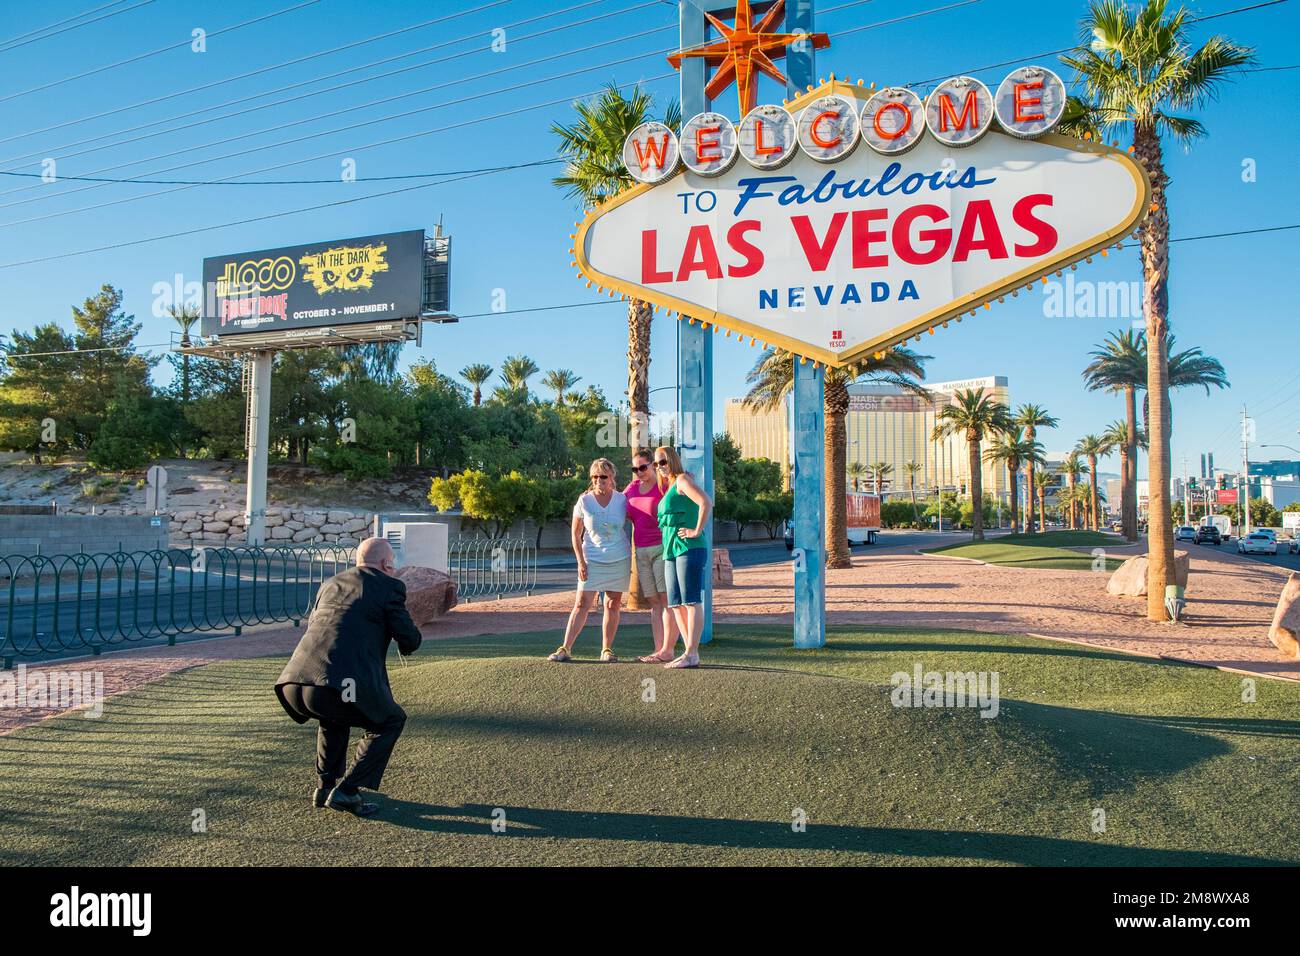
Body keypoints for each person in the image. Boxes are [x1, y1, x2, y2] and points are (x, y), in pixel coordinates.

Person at [274, 537, 422, 817]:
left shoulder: (329, 585)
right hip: (340, 684)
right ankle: (347, 790)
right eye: (392, 563)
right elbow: (409, 638)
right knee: (390, 721)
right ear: (386, 564)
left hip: (295, 680)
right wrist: (408, 640)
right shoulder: (390, 586)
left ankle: (324, 788)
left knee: (334, 718)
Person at [547, 458, 631, 663]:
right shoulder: (584, 501)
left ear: (612, 477)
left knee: (612, 604)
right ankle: (565, 648)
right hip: (591, 558)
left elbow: (640, 517)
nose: (598, 480)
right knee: (582, 603)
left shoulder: (622, 500)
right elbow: (575, 534)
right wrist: (580, 561)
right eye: (595, 477)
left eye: (603, 476)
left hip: (619, 558)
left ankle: (606, 650)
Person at [655, 445, 713, 669]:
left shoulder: (681, 480)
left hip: (688, 547)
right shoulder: (669, 486)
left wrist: (696, 531)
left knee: (690, 601)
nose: (660, 467)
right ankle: (689, 652)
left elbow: (705, 502)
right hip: (670, 550)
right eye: (656, 463)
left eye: (663, 462)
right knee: (675, 603)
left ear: (672, 461)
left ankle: (692, 652)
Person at [624, 449, 679, 662]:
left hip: (661, 548)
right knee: (654, 602)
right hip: (641, 550)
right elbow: (622, 507)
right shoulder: (632, 488)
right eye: (635, 469)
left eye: (643, 467)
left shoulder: (664, 485)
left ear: (653, 465)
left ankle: (669, 650)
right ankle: (659, 650)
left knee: (666, 600)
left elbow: (683, 494)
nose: (639, 472)